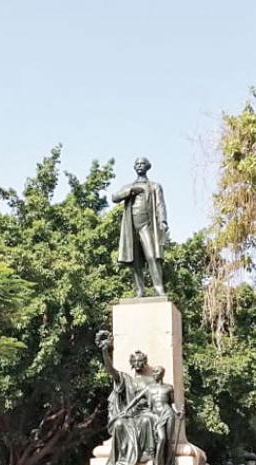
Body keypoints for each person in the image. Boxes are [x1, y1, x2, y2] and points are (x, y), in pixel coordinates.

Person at [95, 330, 158, 465]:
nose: (138, 363)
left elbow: (156, 401)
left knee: (146, 420)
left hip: (145, 413)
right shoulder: (126, 379)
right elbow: (111, 370)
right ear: (131, 363)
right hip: (129, 415)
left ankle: (148, 453)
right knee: (119, 424)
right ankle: (124, 457)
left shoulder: (151, 381)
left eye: (140, 361)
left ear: (144, 362)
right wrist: (105, 351)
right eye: (135, 361)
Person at [112, 157, 168, 297]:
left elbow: (160, 204)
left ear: (147, 166)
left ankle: (158, 288)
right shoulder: (129, 186)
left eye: (142, 164)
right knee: (135, 260)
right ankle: (140, 290)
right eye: (137, 164)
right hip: (131, 227)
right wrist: (131, 191)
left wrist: (163, 221)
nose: (139, 166)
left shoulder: (154, 186)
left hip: (147, 225)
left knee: (152, 256)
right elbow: (114, 197)